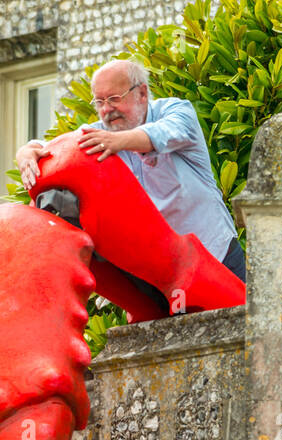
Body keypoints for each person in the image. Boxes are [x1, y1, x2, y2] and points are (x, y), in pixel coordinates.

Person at [15, 57, 245, 313]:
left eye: (114, 99)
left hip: (217, 254)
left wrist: (118, 141)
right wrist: (26, 152)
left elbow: (165, 133)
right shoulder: (99, 134)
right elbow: (55, 149)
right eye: (99, 102)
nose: (106, 110)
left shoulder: (176, 111)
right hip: (157, 276)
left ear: (142, 93)